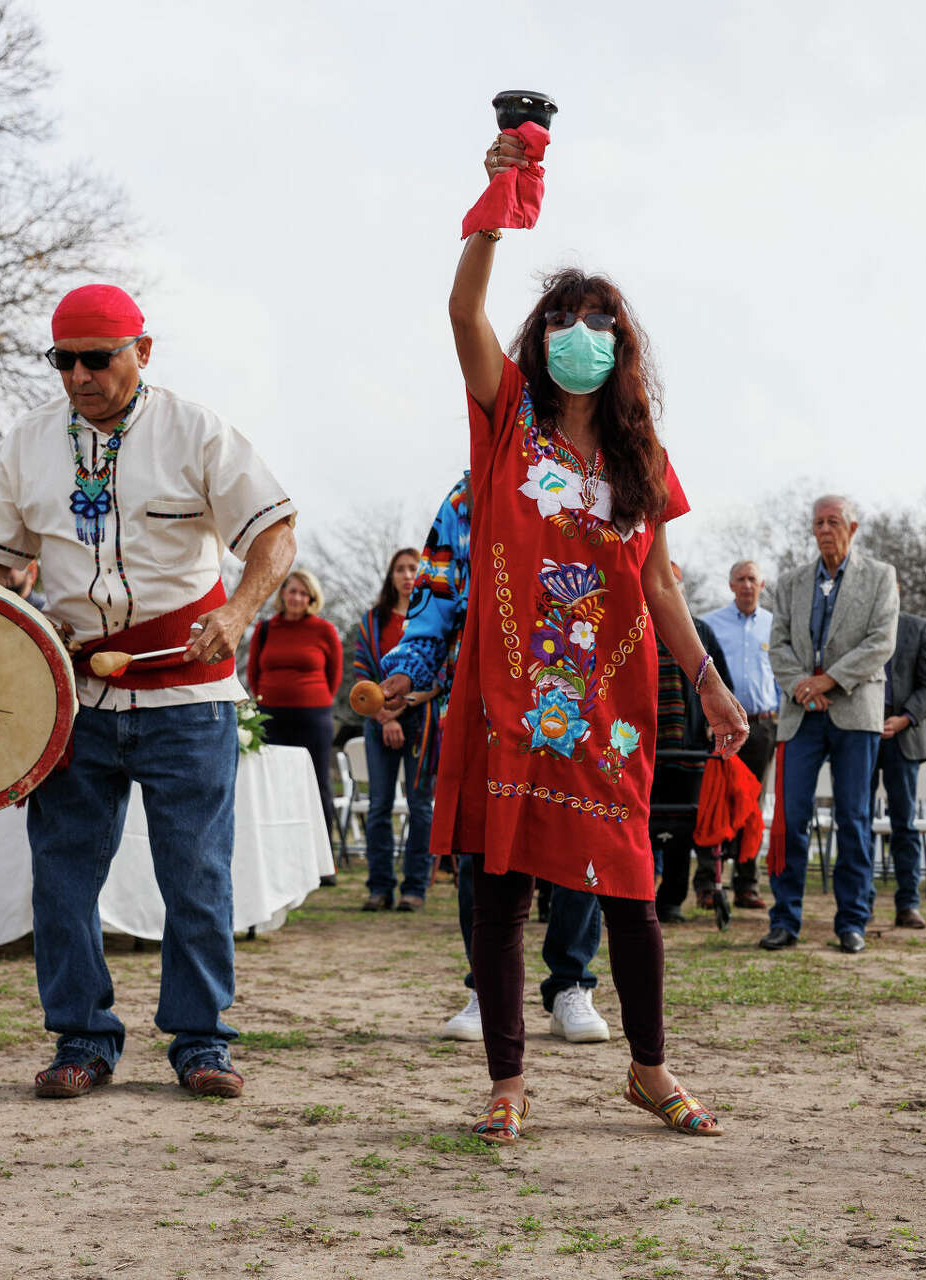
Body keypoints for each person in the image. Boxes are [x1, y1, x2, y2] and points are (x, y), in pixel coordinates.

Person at [409, 130, 747, 1143]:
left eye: (600, 321)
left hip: (613, 701)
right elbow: (463, 310)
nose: (581, 333)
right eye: (564, 318)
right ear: (541, 335)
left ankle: (647, 1066)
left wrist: (711, 678)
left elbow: (654, 582)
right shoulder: (506, 416)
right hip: (514, 690)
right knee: (501, 887)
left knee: (631, 888)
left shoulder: (644, 460)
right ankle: (507, 1080)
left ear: (621, 343)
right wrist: (496, 206)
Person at [0, 283, 295, 1101]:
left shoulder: (198, 432)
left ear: (143, 351)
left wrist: (241, 610)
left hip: (191, 693)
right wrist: (2, 587)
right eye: (62, 359)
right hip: (72, 699)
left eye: (96, 358)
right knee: (62, 875)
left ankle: (202, 1041)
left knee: (198, 876)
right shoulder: (28, 444)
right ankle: (82, 1039)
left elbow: (275, 536)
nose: (78, 375)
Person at [375, 474, 615, 1045]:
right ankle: (488, 986)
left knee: (577, 832)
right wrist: (409, 669)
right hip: (481, 693)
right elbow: (432, 606)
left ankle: (570, 984)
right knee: (482, 840)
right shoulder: (466, 497)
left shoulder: (593, 482)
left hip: (571, 687)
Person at [760, 495, 899, 955]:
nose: (824, 529)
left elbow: (882, 642)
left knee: (853, 818)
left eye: (833, 521)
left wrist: (829, 681)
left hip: (855, 712)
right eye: (818, 522)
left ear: (853, 528)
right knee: (789, 819)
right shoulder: (791, 583)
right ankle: (784, 919)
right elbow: (777, 643)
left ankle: (853, 920)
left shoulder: (880, 576)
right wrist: (803, 685)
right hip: (800, 715)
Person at [352, 547, 440, 912]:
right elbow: (360, 677)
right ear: (391, 576)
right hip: (377, 721)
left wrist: (408, 703)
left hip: (421, 721)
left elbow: (441, 673)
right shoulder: (371, 622)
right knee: (379, 807)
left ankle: (414, 888)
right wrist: (383, 718)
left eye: (413, 569)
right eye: (400, 569)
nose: (407, 575)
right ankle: (379, 887)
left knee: (420, 808)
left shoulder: (431, 620)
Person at [653, 563, 733, 920]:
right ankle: (636, 897)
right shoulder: (632, 624)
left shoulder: (699, 631)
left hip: (686, 745)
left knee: (682, 826)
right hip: (638, 746)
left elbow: (722, 683)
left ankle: (671, 900)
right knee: (641, 825)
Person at [247, 567, 343, 851]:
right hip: (271, 717)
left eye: (304, 593)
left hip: (313, 718)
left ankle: (322, 858)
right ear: (283, 593)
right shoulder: (264, 630)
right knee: (273, 785)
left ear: (311, 598)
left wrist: (310, 699)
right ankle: (277, 853)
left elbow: (334, 676)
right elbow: (253, 673)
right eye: (293, 591)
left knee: (318, 785)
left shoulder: (324, 630)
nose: (297, 597)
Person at [699, 560, 777, 907]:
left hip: (761, 726)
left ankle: (747, 884)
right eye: (740, 579)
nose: (747, 585)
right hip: (720, 727)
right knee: (712, 800)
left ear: (763, 585)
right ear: (731, 585)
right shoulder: (710, 625)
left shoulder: (776, 627)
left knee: (752, 805)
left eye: (753, 580)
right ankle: (706, 883)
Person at [875, 612, 926, 929]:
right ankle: (860, 900)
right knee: (857, 818)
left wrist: (904, 719)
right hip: (862, 731)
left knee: (905, 822)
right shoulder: (858, 623)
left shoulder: (918, 627)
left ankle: (908, 904)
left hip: (904, 736)